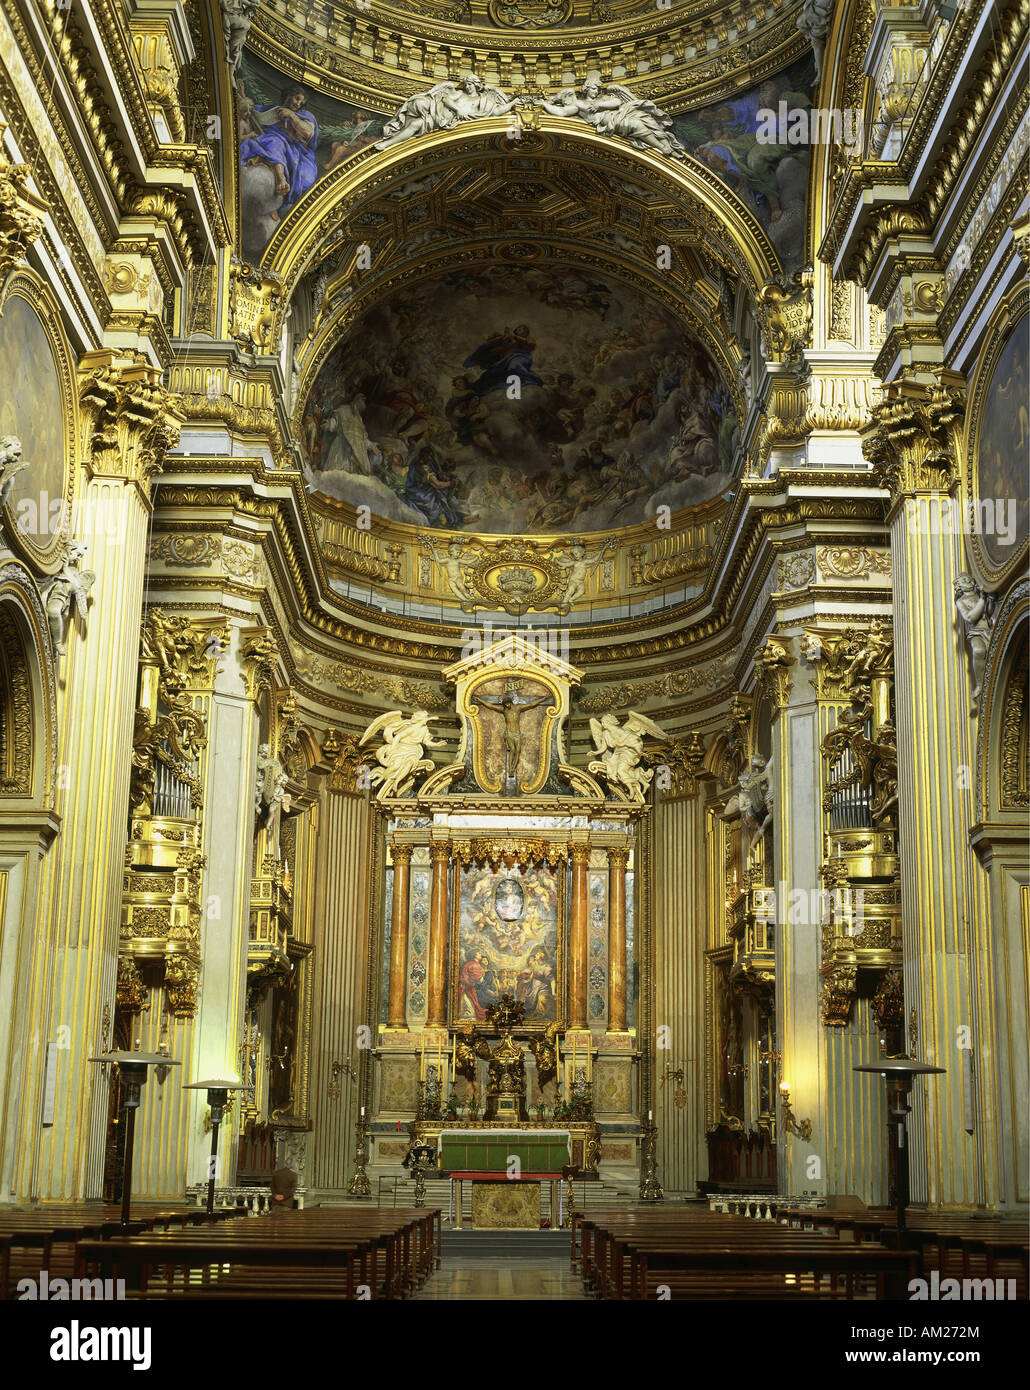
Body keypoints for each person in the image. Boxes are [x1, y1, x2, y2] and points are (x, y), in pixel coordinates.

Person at [239, 86, 319, 214]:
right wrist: (242, 95)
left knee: (306, 175)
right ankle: (280, 179)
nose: (298, 104)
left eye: (302, 103)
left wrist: (292, 116)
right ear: (289, 95)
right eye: (297, 98)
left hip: (297, 151)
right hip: (273, 142)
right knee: (275, 141)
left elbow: (308, 133)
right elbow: (253, 112)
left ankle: (283, 192)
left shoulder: (305, 115)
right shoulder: (273, 110)